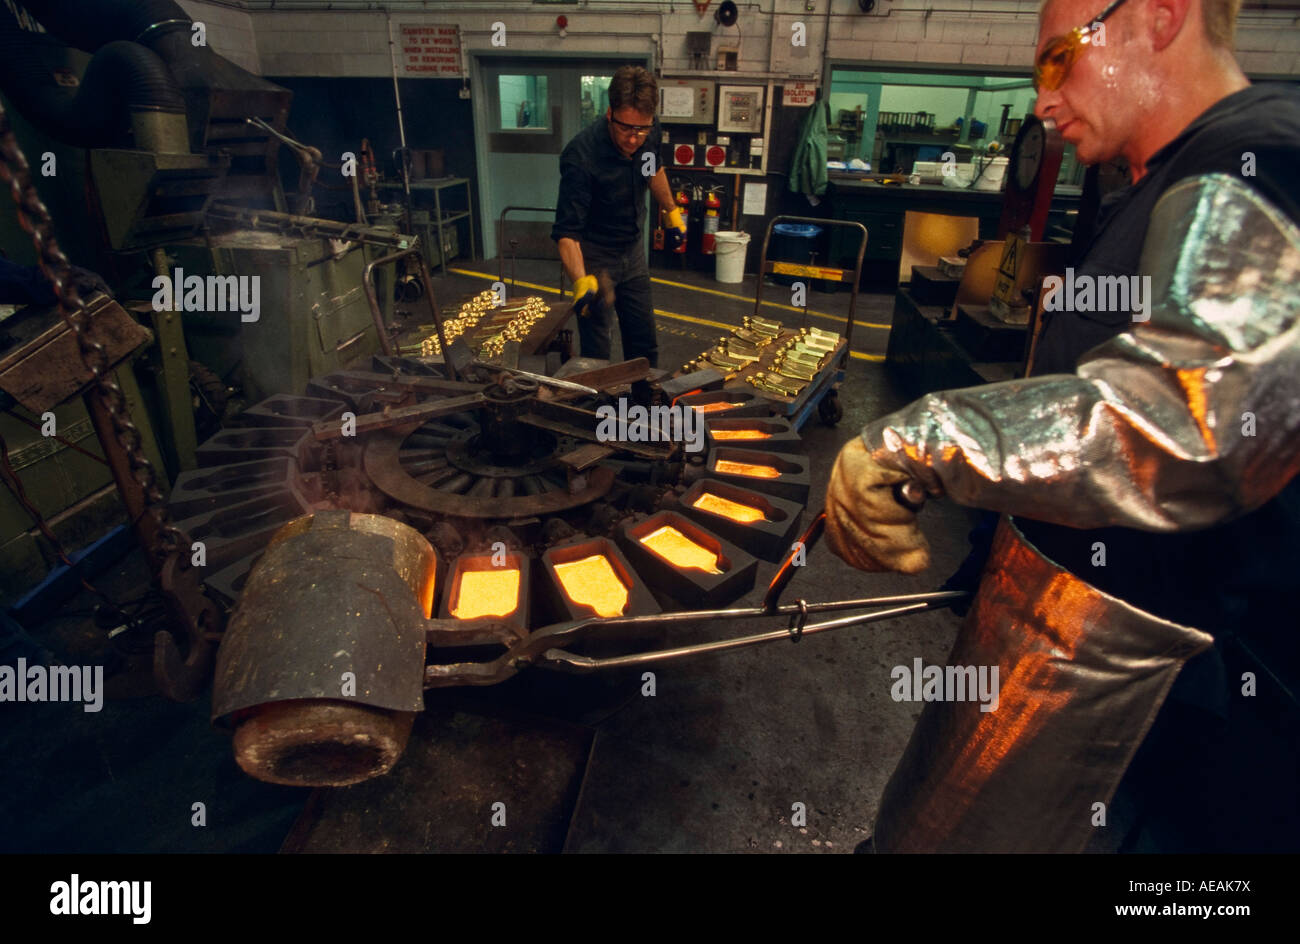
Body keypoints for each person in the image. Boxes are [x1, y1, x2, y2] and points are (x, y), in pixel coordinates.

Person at [826, 0, 1300, 852]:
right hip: (1080, 658)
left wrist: (925, 436)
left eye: (1055, 61)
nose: (1041, 102)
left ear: (1159, 17)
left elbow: (1193, 418)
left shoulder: (1254, 159)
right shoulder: (1157, 181)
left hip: (1167, 711)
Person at [551, 65, 686, 369]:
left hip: (633, 253)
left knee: (644, 345)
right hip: (596, 259)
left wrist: (671, 210)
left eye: (642, 129)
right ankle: (600, 413)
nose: (634, 139)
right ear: (610, 112)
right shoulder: (580, 156)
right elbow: (567, 233)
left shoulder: (649, 131)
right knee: (596, 354)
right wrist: (581, 281)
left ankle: (642, 408)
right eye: (626, 128)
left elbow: (653, 169)